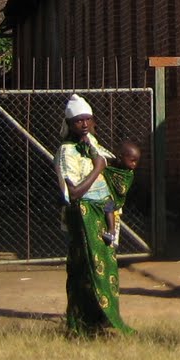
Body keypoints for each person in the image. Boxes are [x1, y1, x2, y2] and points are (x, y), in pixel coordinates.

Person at [55, 94, 131, 335]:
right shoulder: (67, 152)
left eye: (88, 119)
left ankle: (102, 320)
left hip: (101, 213)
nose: (85, 124)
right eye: (79, 121)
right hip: (83, 215)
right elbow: (74, 192)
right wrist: (98, 167)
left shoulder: (92, 143)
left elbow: (108, 161)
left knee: (105, 268)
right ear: (69, 124)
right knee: (86, 269)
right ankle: (82, 323)